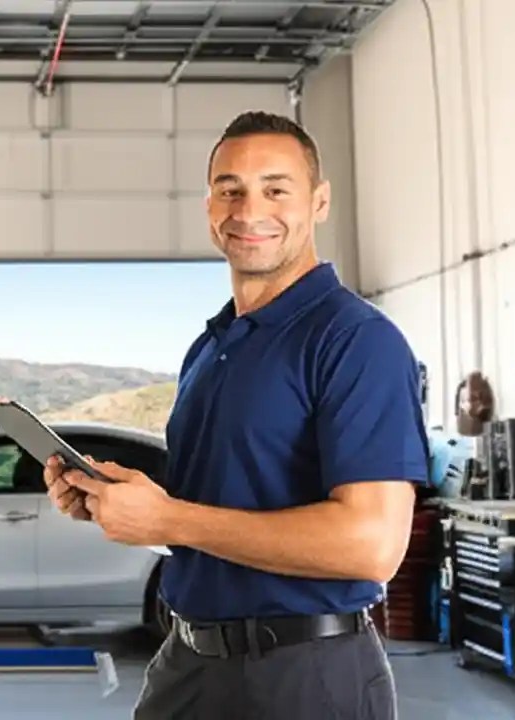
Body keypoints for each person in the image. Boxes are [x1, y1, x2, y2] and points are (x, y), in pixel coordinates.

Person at [43, 111, 429, 720]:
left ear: (319, 202)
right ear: (209, 207)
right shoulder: (214, 344)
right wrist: (126, 502)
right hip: (189, 662)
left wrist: (170, 517)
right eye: (231, 190)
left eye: (276, 189)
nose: (249, 211)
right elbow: (223, 500)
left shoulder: (356, 340)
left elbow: (371, 545)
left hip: (303, 675)